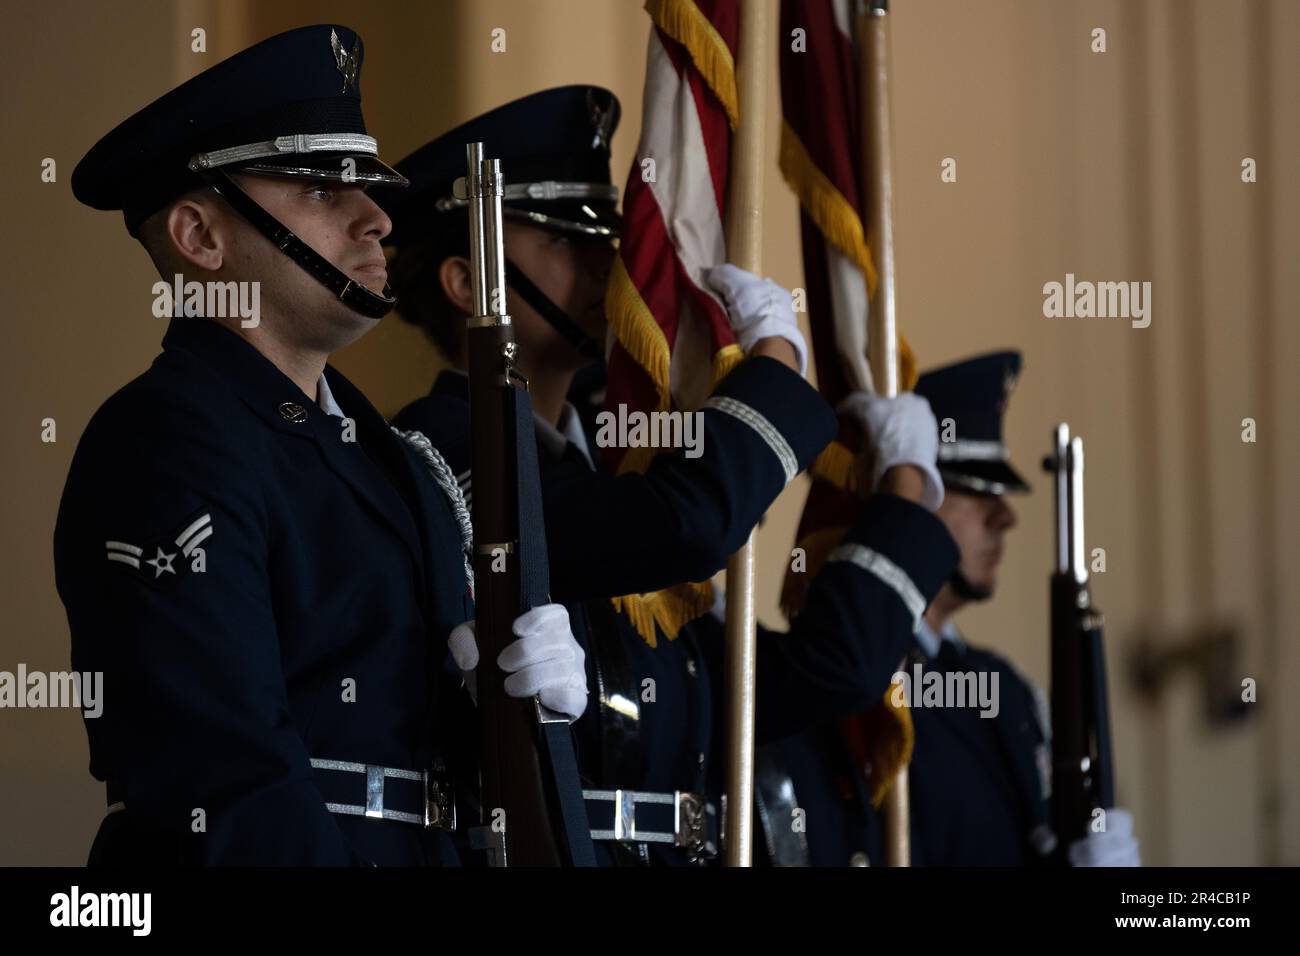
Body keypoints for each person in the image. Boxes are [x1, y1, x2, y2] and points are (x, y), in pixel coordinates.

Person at [379, 86, 960, 864]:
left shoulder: (606, 466)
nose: (610, 263)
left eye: (607, 238)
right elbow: (687, 525)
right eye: (565, 241)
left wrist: (907, 491)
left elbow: (817, 676)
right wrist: (776, 366)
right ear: (464, 282)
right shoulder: (443, 453)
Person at [54, 24, 585, 867]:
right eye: (320, 188)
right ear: (201, 239)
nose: (376, 217)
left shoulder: (393, 457)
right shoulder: (166, 441)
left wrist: (504, 718)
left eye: (366, 187)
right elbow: (224, 778)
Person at [755, 352, 1141, 866]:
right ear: (899, 493)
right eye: (970, 487)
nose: (1004, 516)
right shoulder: (844, 679)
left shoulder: (1005, 688)